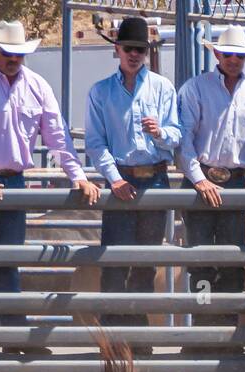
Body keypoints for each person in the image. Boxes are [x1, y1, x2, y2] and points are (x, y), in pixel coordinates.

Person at [0, 20, 100, 303]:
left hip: (11, 181)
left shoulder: (37, 86)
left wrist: (77, 175)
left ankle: (10, 332)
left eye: (18, 54)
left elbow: (57, 135)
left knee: (8, 257)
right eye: (8, 53)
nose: (14, 60)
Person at [176, 23, 245, 321]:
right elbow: (184, 139)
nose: (233, 60)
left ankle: (226, 326)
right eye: (228, 54)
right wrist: (199, 180)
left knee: (232, 259)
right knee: (200, 260)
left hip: (233, 180)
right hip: (202, 180)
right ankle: (202, 326)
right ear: (218, 55)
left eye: (239, 55)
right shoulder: (195, 88)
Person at [85, 17, 181, 326]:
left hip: (154, 177)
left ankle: (136, 331)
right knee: (114, 260)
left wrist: (160, 133)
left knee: (146, 262)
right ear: (118, 49)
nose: (134, 54)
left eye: (140, 49)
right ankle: (114, 330)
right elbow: (95, 142)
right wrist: (114, 179)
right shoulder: (100, 92)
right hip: (122, 178)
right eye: (129, 48)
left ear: (146, 51)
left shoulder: (163, 88)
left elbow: (177, 134)